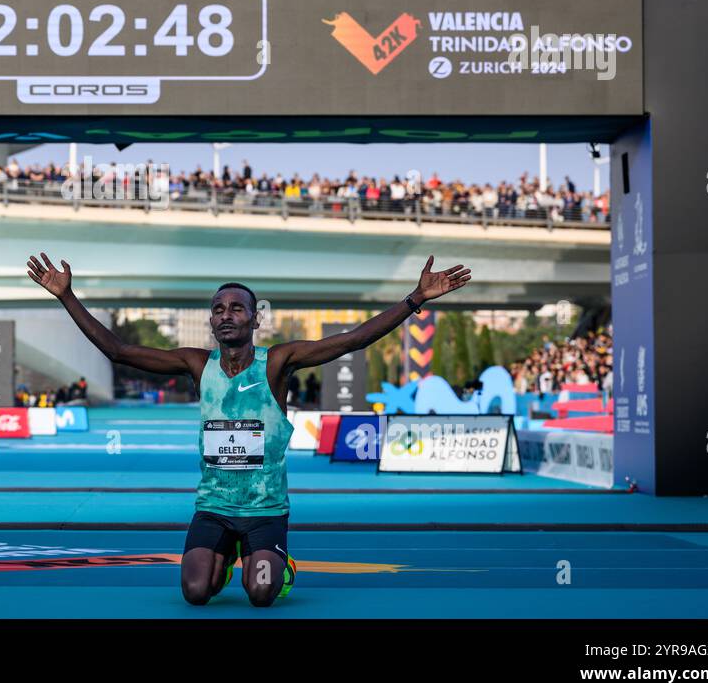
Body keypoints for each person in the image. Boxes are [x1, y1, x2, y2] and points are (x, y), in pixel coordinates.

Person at [26, 251, 471, 607]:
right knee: (197, 592)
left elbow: (352, 339)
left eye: (237, 309)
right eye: (218, 309)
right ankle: (226, 555)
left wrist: (414, 300)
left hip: (265, 511)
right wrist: (67, 296)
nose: (226, 315)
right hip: (214, 506)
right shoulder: (196, 365)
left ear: (256, 319)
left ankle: (275, 561)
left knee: (261, 596)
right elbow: (120, 351)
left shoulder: (278, 362)